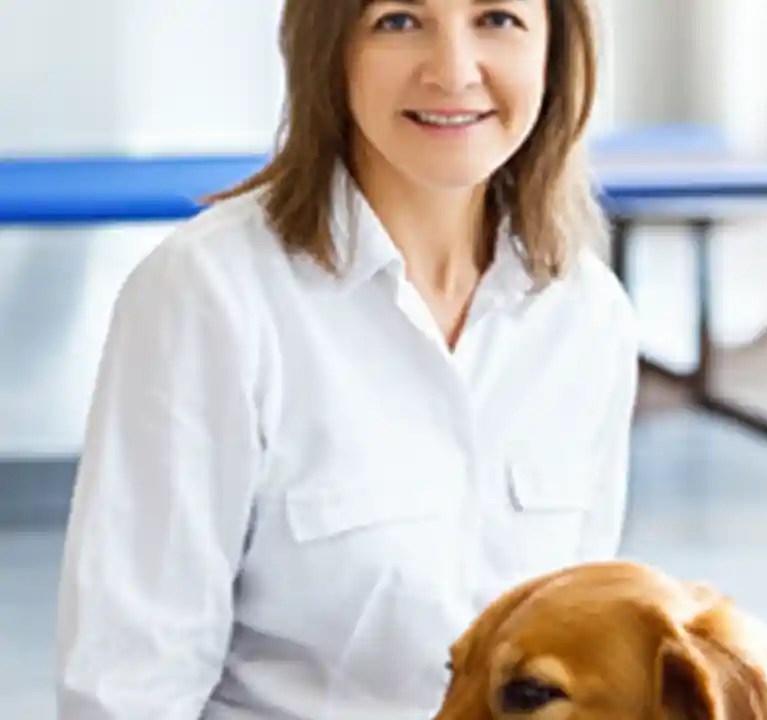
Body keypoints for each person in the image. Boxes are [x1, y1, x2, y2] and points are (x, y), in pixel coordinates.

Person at [54, 0, 639, 716]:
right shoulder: (209, 293)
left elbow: (573, 652)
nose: (453, 70)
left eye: (496, 18)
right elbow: (129, 683)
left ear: (556, 52)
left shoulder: (586, 313)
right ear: (327, 52)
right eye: (398, 20)